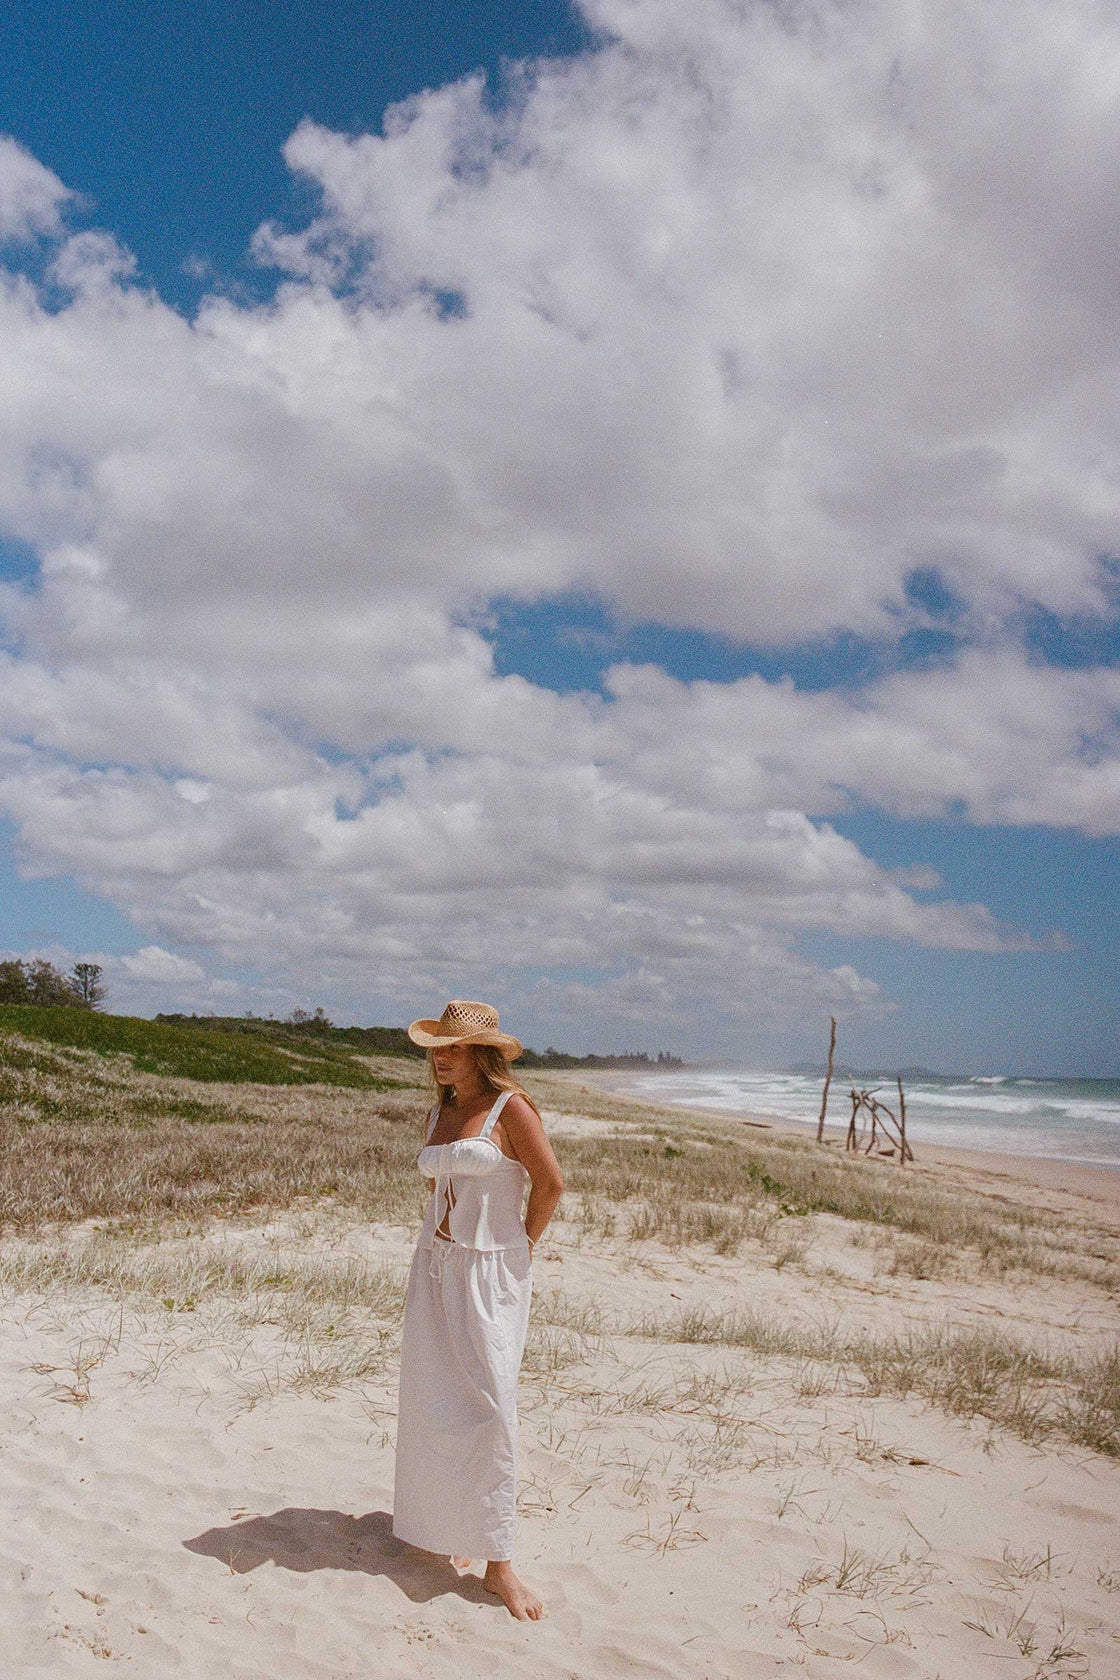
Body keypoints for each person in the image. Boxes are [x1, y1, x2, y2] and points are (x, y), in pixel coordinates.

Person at [392, 1000, 564, 1620]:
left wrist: (518, 1250)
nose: (441, 1057)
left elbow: (550, 1185)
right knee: (434, 1397)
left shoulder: (509, 1108)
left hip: (490, 1269)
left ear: (482, 1053)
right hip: (435, 1265)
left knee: (492, 1407)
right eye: (436, 1047)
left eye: (454, 1048)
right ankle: (447, 1529)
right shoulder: (443, 1108)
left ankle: (500, 1564)